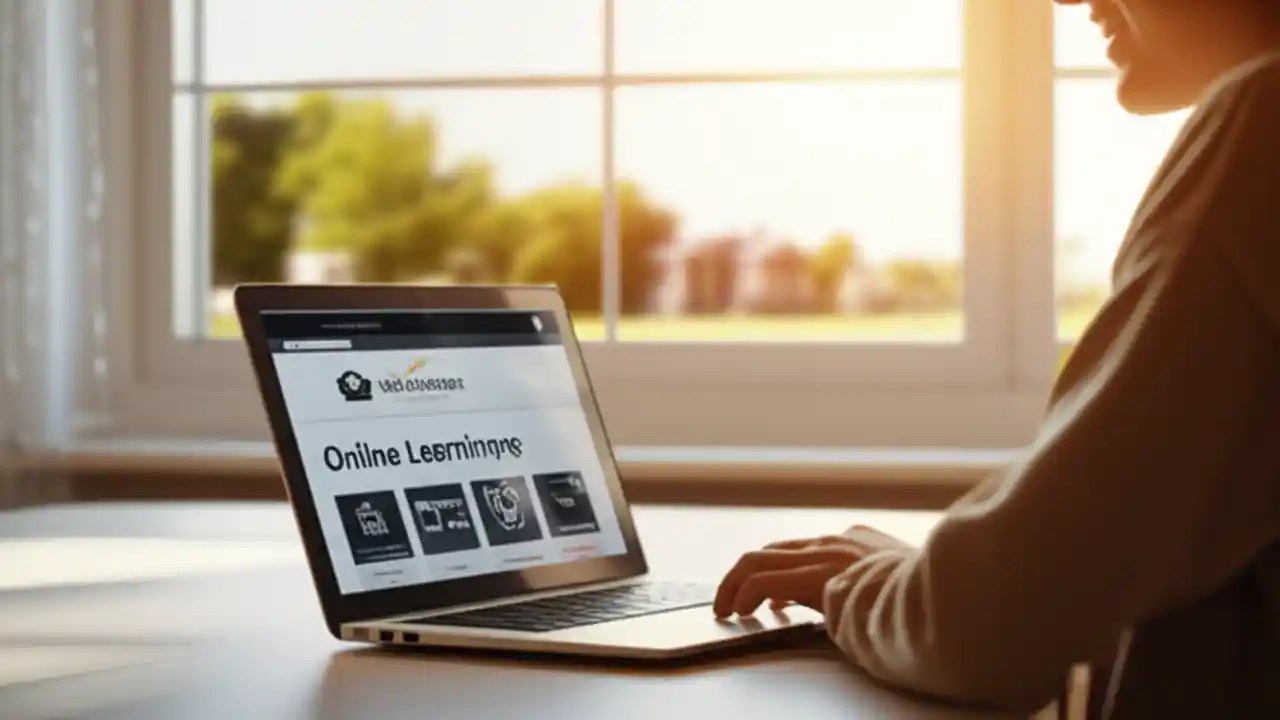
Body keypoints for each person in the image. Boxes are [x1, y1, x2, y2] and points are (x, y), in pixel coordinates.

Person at [713, 1, 1280, 717]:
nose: (1073, 1)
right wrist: (912, 579)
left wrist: (867, 586)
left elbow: (996, 626)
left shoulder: (1263, 123)